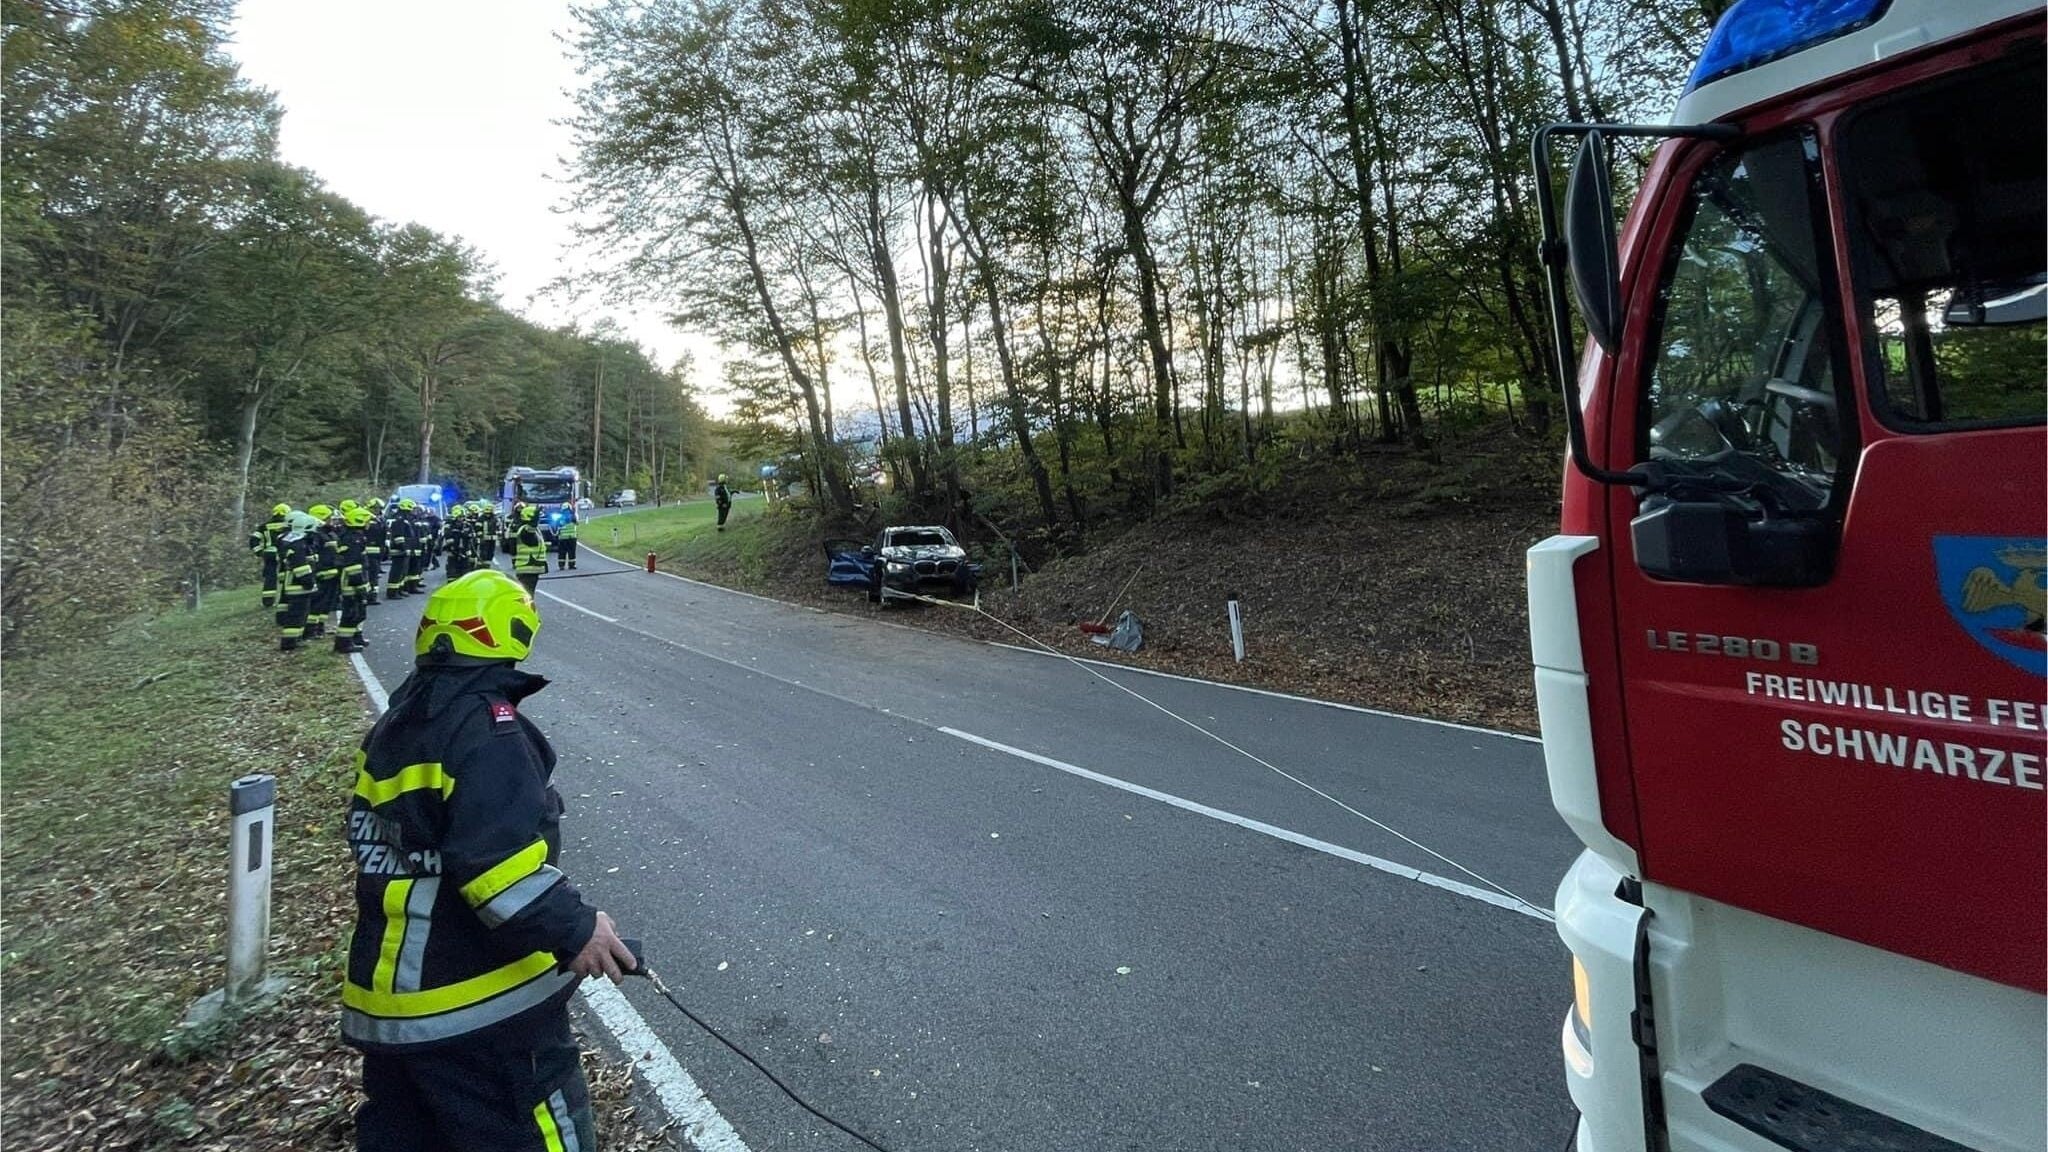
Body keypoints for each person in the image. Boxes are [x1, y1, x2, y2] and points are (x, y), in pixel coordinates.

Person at [344, 569, 634, 1152]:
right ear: (511, 633)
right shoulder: (487, 731)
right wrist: (578, 927)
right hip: (479, 1012)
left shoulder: (396, 725)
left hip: (388, 1010)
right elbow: (497, 869)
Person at [274, 512, 320, 651]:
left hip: (297, 585)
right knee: (296, 616)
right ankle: (289, 643)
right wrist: (309, 581)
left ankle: (296, 640)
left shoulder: (294, 541)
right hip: (298, 586)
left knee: (301, 615)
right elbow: (300, 567)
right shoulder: (299, 545)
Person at [334, 506, 372, 654]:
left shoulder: (354, 536)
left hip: (356, 579)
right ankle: (343, 644)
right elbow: (353, 564)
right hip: (352, 582)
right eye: (367, 521)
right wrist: (360, 585)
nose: (369, 524)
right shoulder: (353, 539)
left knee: (359, 611)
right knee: (351, 613)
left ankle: (355, 637)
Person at [305, 505, 342, 640]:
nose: (332, 521)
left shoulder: (330, 533)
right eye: (329, 518)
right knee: (316, 604)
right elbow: (313, 557)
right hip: (322, 574)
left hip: (333, 574)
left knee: (327, 604)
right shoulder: (315, 535)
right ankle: (310, 630)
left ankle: (320, 626)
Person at [251, 503, 291, 608]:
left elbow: (254, 539)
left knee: (270, 578)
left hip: (269, 554)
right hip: (284, 553)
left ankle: (268, 602)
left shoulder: (264, 526)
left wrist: (259, 552)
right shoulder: (288, 525)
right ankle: (286, 599)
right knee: (286, 576)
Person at [511, 504, 548, 595]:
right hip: (527, 567)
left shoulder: (528, 529)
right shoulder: (526, 530)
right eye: (536, 517)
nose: (538, 519)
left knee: (527, 595)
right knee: (526, 596)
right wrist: (535, 515)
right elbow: (531, 528)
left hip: (530, 567)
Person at [363, 499, 388, 605]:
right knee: (371, 575)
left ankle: (372, 596)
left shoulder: (379, 519)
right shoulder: (367, 519)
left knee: (374, 575)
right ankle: (370, 597)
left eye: (380, 509)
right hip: (370, 552)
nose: (379, 511)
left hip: (378, 551)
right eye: (377, 509)